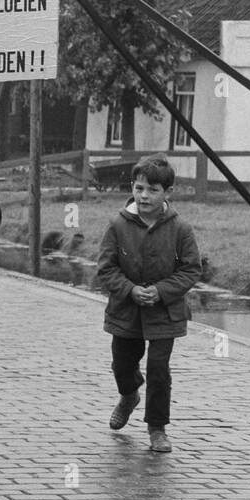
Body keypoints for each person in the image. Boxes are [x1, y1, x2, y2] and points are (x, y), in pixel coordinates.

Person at [97, 154, 201, 453]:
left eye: (153, 190)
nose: (144, 195)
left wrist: (162, 290)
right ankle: (129, 395)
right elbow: (106, 268)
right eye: (139, 188)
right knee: (122, 364)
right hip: (125, 311)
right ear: (132, 187)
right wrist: (129, 290)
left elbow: (191, 269)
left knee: (159, 369)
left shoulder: (181, 228)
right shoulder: (118, 224)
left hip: (165, 313)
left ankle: (157, 428)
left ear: (168, 193)